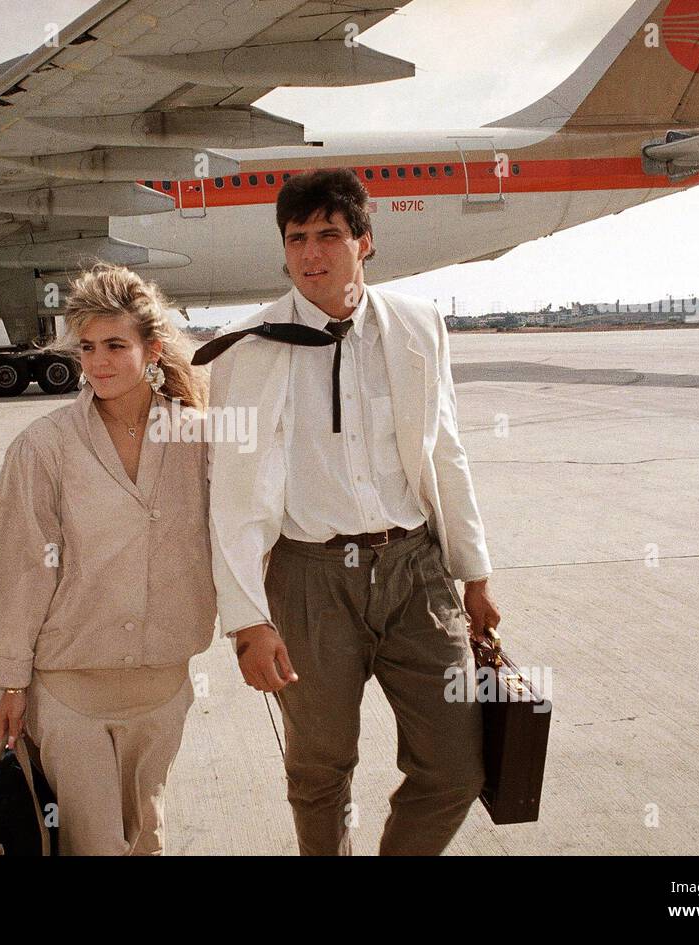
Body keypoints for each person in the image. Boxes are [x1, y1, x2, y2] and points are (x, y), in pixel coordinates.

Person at [197, 168, 502, 856]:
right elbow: (235, 496)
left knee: (455, 766)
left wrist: (475, 570)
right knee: (319, 769)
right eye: (297, 237)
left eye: (329, 234)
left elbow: (444, 449)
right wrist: (247, 620)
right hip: (310, 581)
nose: (311, 253)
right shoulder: (249, 345)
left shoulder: (419, 326)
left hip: (415, 572)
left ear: (365, 240)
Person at [0, 264, 216, 855]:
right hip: (70, 689)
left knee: (147, 836)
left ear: (153, 349)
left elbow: (236, 541)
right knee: (92, 846)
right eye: (87, 348)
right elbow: (18, 568)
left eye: (116, 345)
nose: (98, 362)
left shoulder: (202, 438)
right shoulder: (43, 446)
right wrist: (11, 680)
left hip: (163, 683)